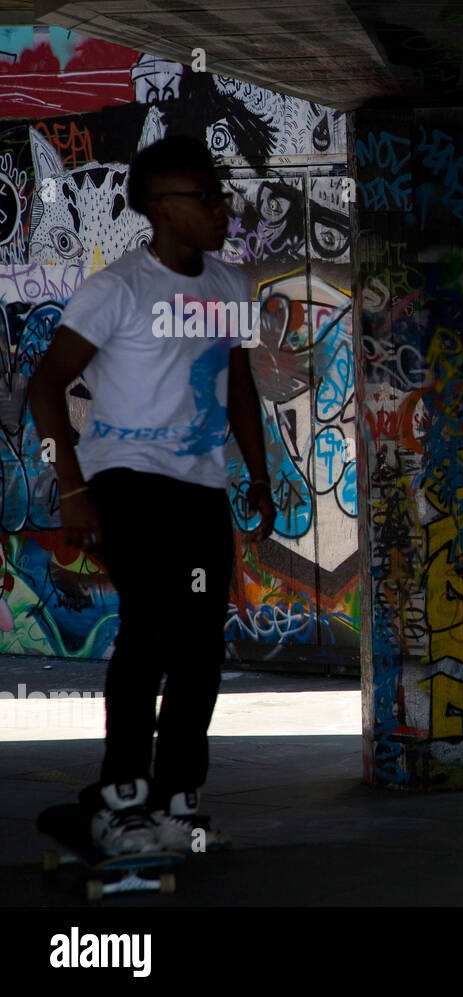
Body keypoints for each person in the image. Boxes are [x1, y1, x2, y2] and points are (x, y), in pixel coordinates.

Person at [28, 134, 275, 855]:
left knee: (200, 646)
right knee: (151, 629)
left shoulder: (230, 286)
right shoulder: (119, 288)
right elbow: (45, 384)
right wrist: (71, 487)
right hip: (126, 479)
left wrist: (256, 476)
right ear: (163, 210)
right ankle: (119, 800)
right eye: (207, 197)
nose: (223, 208)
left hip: (199, 484)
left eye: (221, 195)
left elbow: (240, 386)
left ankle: (177, 802)